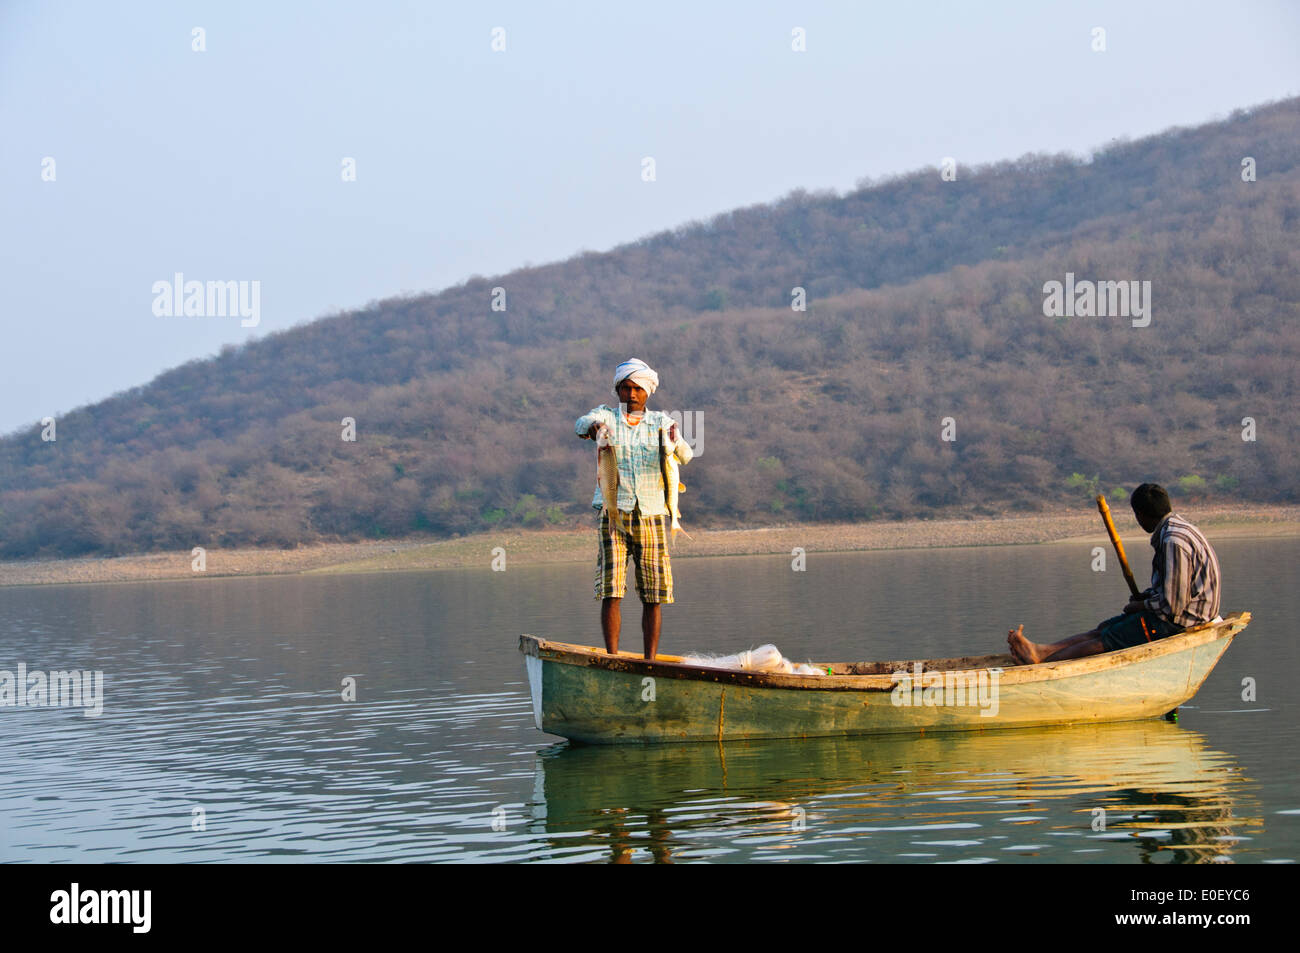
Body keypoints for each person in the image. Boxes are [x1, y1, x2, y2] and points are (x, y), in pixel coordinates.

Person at [1007, 483, 1221, 664]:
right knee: (1104, 629)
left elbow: (1173, 606)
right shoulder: (1177, 528)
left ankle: (1043, 665)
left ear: (1141, 515)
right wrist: (1147, 597)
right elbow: (1171, 589)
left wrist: (1140, 606)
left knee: (1106, 640)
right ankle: (1042, 651)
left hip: (1182, 621)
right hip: (1177, 614)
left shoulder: (1173, 541)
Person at [575, 358, 693, 659]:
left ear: (647, 391)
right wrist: (595, 426)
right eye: (626, 388)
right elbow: (580, 425)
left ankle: (649, 660)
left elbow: (686, 455)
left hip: (652, 513)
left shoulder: (662, 423)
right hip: (612, 512)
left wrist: (674, 440)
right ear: (618, 390)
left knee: (653, 594)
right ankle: (613, 656)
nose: (631, 395)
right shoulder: (605, 416)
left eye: (637, 389)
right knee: (611, 589)